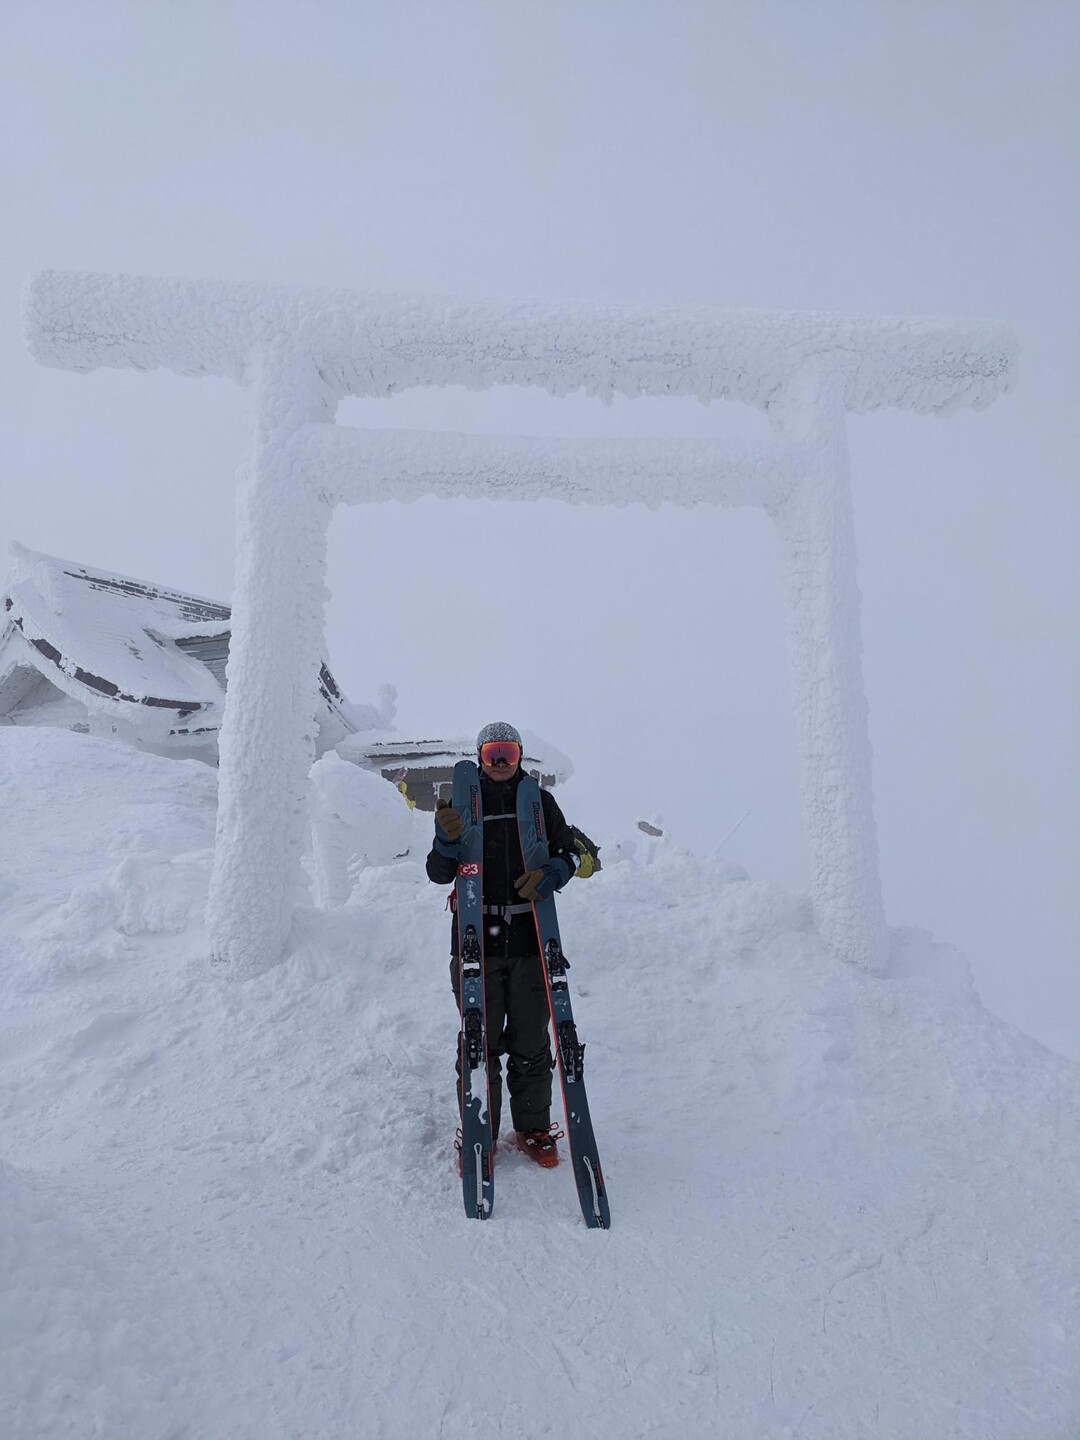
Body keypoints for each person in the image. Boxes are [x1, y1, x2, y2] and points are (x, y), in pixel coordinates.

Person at [426, 722, 578, 1168]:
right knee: (480, 1042)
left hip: (531, 941)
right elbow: (438, 872)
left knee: (531, 1041)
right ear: (478, 757)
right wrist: (444, 840)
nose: (498, 763)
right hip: (477, 943)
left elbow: (570, 854)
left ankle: (532, 1128)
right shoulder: (459, 804)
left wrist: (553, 873)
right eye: (492, 754)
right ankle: (479, 1131)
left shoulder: (540, 804)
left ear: (519, 757)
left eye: (507, 754)